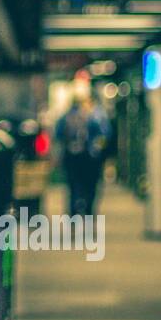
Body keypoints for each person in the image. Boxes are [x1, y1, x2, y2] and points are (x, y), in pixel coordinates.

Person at [54, 78, 111, 216]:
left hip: (71, 157)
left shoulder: (66, 116)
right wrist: (97, 152)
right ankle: (88, 213)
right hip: (90, 158)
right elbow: (105, 134)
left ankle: (75, 214)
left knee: (73, 186)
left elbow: (59, 134)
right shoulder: (97, 115)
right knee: (90, 186)